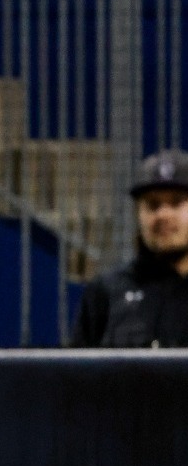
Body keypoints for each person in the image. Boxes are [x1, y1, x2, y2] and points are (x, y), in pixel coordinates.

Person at [70, 149, 188, 348]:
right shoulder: (106, 291)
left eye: (176, 202)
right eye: (153, 205)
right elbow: (78, 375)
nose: (163, 215)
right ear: (138, 214)